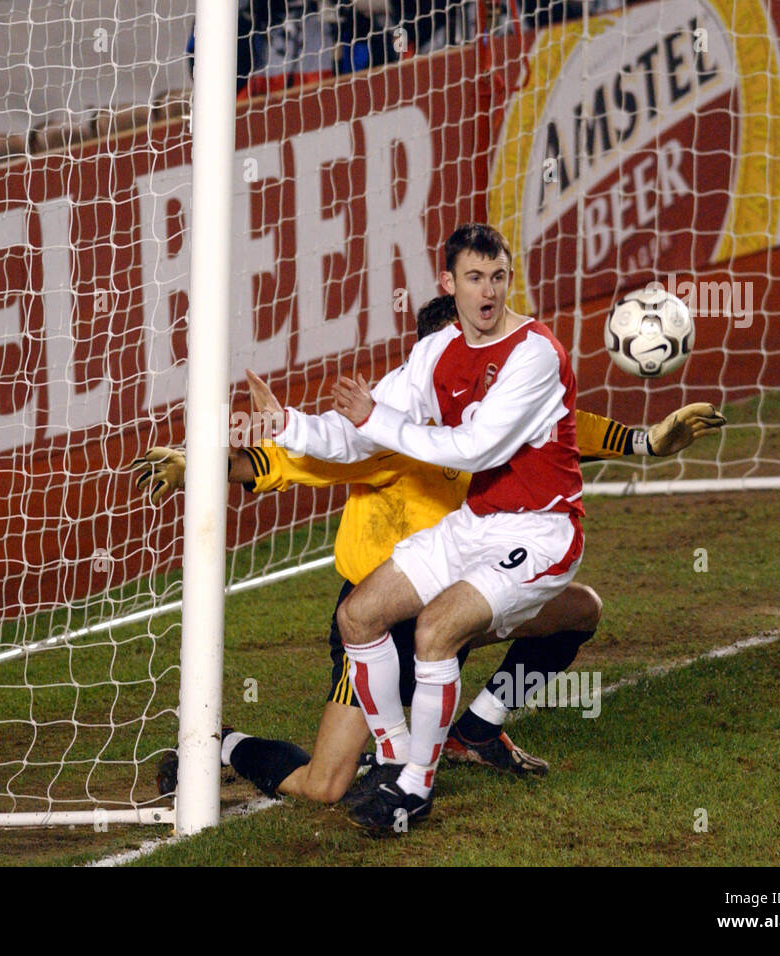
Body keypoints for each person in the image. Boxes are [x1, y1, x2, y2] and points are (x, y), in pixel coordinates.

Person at [138, 292, 724, 808]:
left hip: (462, 595)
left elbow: (574, 430)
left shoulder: (509, 408)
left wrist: (651, 441)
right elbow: (269, 461)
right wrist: (196, 465)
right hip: (380, 620)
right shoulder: (383, 436)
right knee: (326, 785)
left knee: (579, 611)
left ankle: (477, 730)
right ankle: (223, 744)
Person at [249, 223, 614, 833]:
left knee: (435, 631)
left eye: (498, 277)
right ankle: (395, 754)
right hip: (477, 524)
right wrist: (289, 424)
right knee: (359, 615)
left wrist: (376, 418)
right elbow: (358, 432)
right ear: (450, 284)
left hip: (540, 532)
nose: (488, 292)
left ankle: (415, 789)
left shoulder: (536, 353)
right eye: (474, 278)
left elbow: (473, 448)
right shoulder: (435, 351)